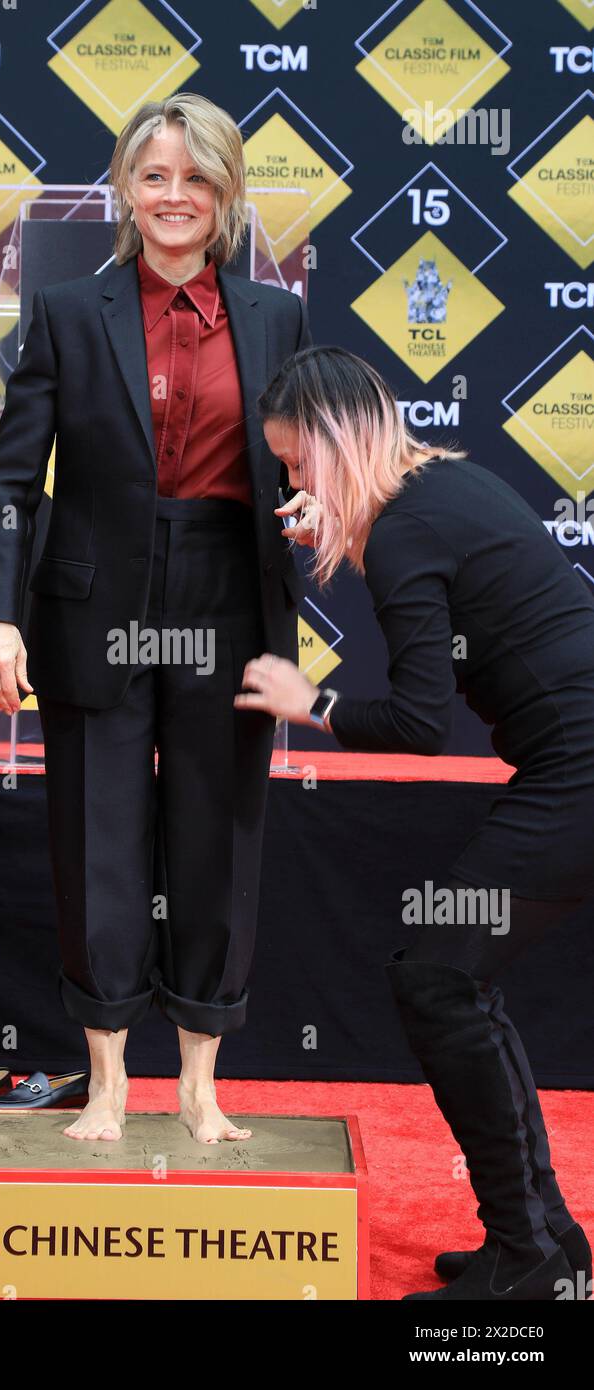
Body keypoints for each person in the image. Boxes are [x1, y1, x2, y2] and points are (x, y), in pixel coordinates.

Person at [0, 93, 310, 1144]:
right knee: (98, 843)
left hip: (227, 591)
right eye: (154, 176)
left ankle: (200, 1084)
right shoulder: (67, 313)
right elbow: (9, 485)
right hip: (92, 601)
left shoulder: (275, 317)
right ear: (126, 187)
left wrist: (318, 498)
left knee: (216, 843)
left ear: (225, 195)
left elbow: (312, 452)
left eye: (195, 178)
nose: (174, 196)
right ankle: (108, 1079)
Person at [236, 344, 594, 1300]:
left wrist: (308, 701)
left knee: (437, 978)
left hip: (583, 770)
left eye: (300, 465)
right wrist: (344, 518)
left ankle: (527, 1252)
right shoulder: (445, 486)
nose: (292, 485)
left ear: (339, 443)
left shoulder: (403, 534)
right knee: (453, 977)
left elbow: (420, 727)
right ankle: (546, 1242)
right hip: (574, 762)